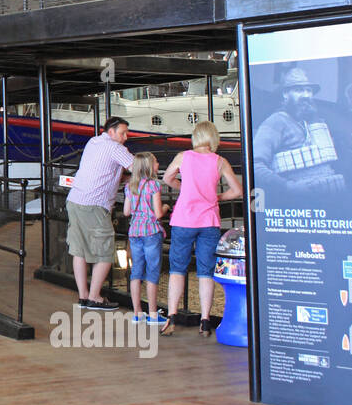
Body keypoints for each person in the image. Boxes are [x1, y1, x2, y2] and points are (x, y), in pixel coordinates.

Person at [162, 121, 244, 337]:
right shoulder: (220, 161)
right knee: (205, 272)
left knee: (177, 269)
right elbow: (237, 190)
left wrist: (183, 187)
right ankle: (206, 321)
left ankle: (171, 317)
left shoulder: (183, 157)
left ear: (195, 137)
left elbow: (166, 178)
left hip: (183, 220)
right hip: (209, 221)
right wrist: (217, 197)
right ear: (213, 137)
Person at [66, 116, 135, 310]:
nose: (125, 137)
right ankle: (94, 297)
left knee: (79, 250)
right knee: (105, 252)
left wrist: (120, 179)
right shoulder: (115, 148)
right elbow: (139, 168)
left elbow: (102, 171)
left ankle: (83, 296)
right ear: (111, 132)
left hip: (75, 200)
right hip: (95, 205)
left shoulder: (93, 141)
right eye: (122, 133)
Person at [253, 65, 344, 194]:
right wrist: (287, 187)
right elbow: (255, 165)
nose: (306, 95)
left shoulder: (312, 122)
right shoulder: (276, 122)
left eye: (309, 90)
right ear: (285, 94)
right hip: (295, 200)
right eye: (299, 90)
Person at [122, 152, 165, 323]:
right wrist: (167, 207)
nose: (158, 164)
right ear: (148, 167)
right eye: (155, 162)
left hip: (134, 232)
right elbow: (158, 213)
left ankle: (137, 312)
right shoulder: (153, 185)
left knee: (136, 272)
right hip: (151, 232)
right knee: (152, 272)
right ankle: (153, 314)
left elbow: (126, 212)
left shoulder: (129, 186)